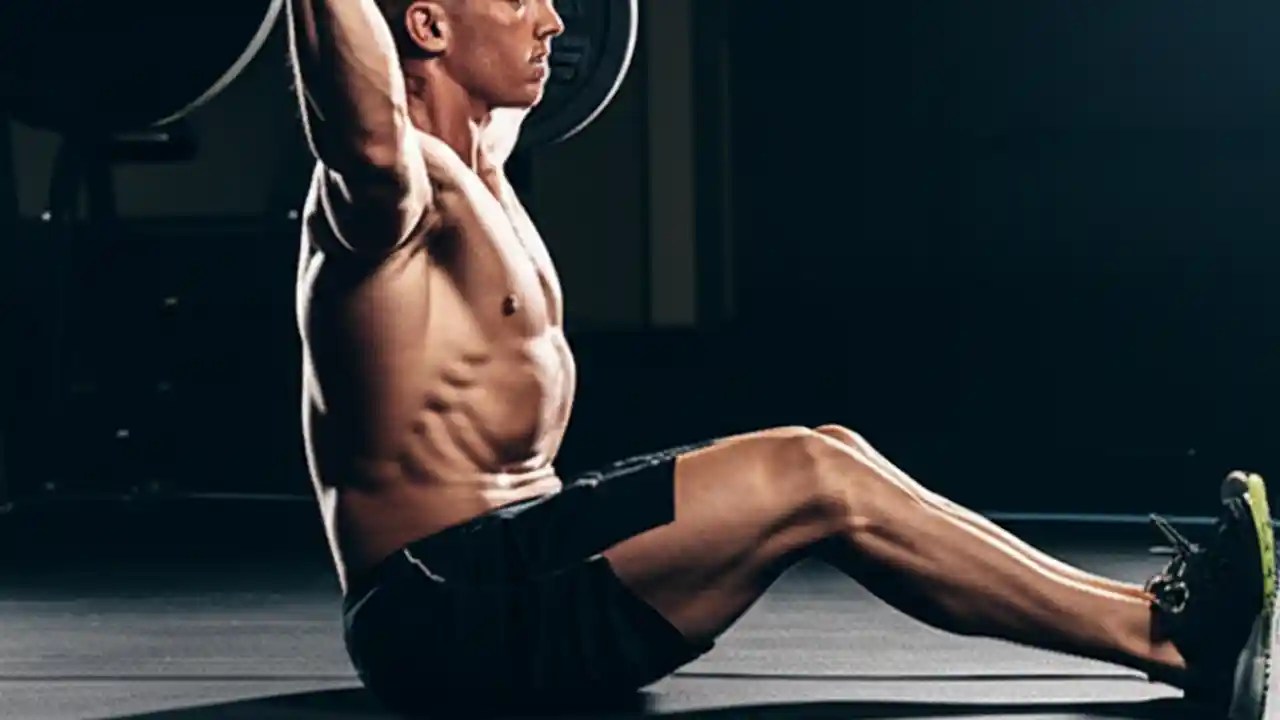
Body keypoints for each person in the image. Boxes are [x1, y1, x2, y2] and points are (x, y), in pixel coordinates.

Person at [284, 0, 1276, 717]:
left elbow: (469, 82)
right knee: (809, 475)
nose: (551, 20)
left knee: (831, 450)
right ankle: (1174, 642)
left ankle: (1161, 618)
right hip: (444, 613)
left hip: (526, 557)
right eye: (518, 0)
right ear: (426, 26)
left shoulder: (485, 162)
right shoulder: (389, 199)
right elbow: (361, 126)